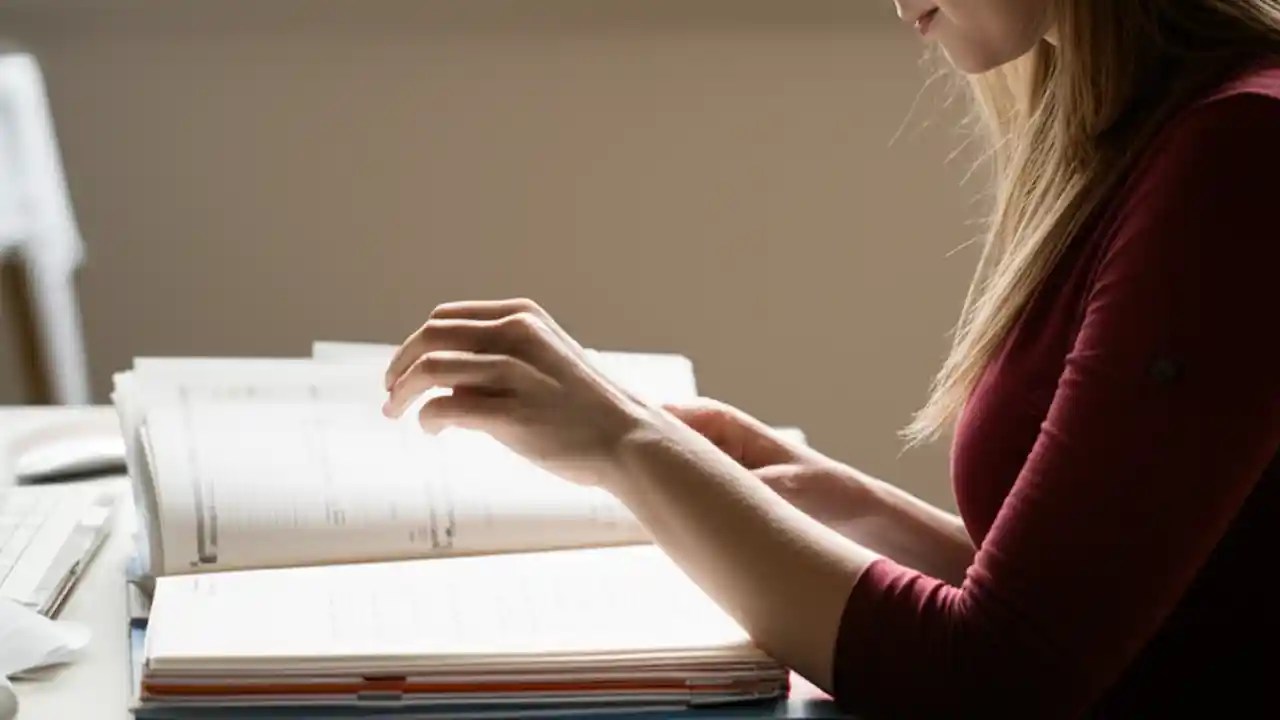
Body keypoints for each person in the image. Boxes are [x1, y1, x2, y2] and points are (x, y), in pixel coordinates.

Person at [381, 1, 1280, 716]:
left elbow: (1001, 681)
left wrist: (625, 443)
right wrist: (849, 504)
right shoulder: (1171, 126)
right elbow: (1125, 613)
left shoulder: (1238, 159)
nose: (899, 8)